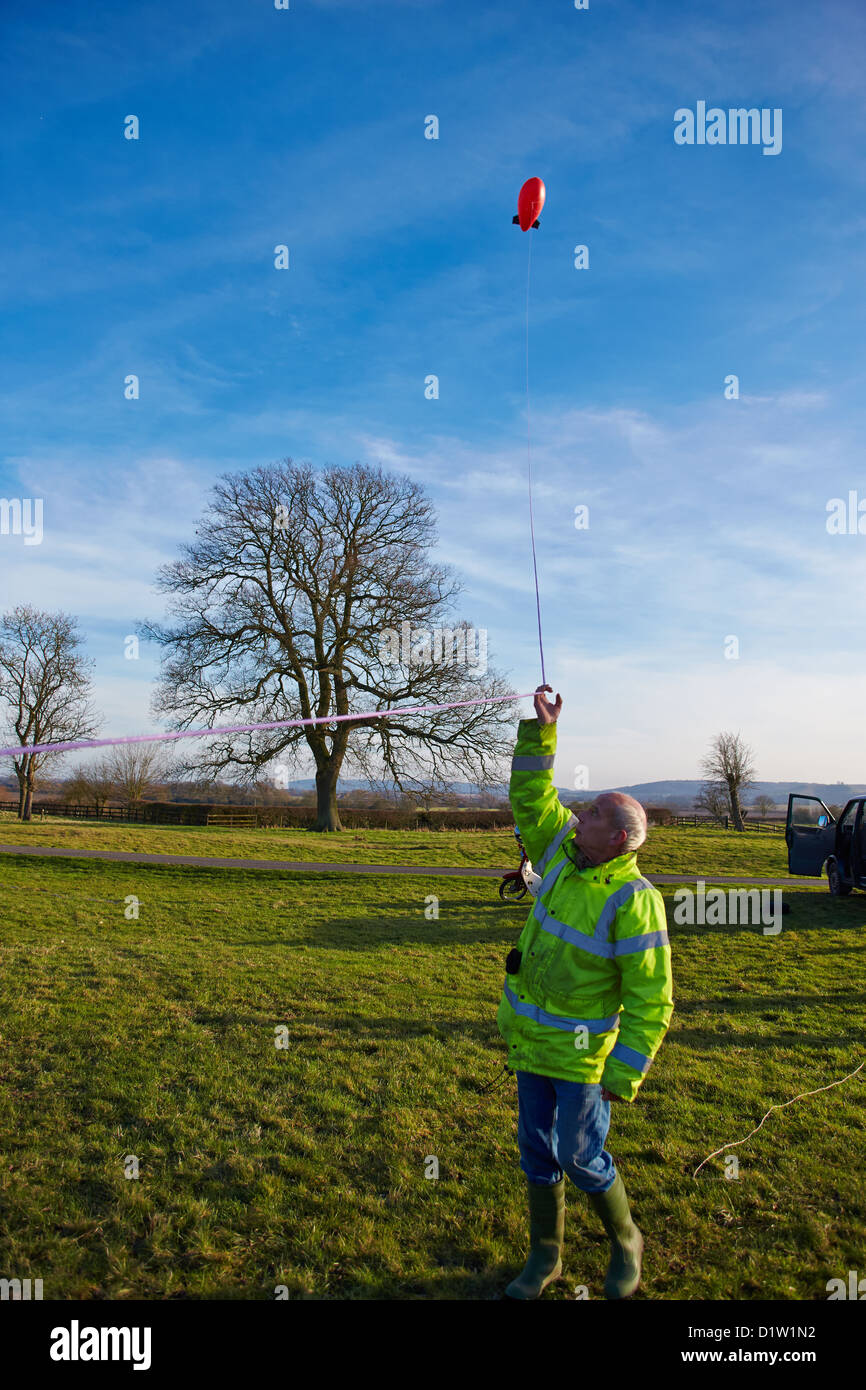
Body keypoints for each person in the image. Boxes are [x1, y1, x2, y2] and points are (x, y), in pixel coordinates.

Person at [497, 685, 673, 1300]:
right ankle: (545, 1258)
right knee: (535, 1153)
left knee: (579, 1155)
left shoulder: (635, 901)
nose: (581, 814)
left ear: (620, 839)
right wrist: (542, 732)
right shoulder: (561, 853)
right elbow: (529, 795)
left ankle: (626, 1242)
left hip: (582, 1057)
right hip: (530, 1041)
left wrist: (623, 1072)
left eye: (595, 812)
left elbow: (653, 999)